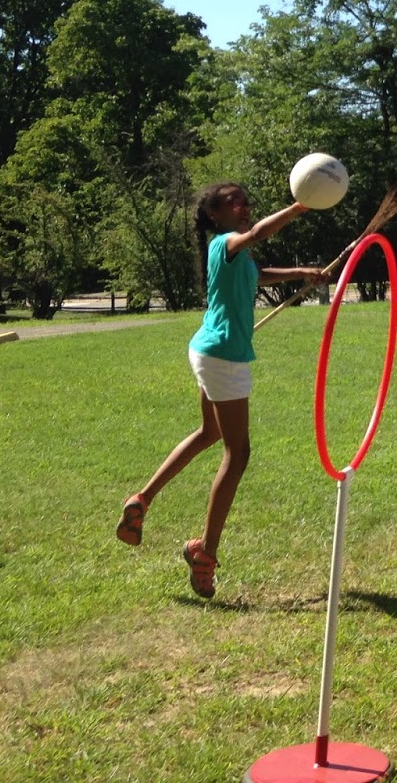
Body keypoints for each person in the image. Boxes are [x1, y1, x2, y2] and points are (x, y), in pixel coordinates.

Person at [115, 182, 327, 599]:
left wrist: (301, 274)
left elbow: (256, 274)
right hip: (224, 357)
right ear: (215, 215)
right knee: (238, 452)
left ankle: (141, 499)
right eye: (234, 202)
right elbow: (258, 234)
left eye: (245, 200)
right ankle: (205, 554)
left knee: (209, 434)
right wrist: (300, 207)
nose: (244, 206)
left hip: (210, 350)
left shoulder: (235, 254)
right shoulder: (227, 241)